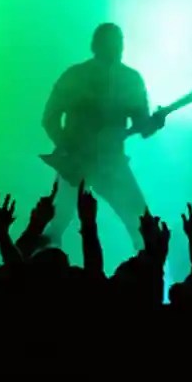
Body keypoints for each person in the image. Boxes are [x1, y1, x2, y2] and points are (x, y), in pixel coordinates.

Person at [40, 23, 165, 250]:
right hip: (84, 164)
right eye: (112, 42)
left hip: (108, 163)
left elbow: (142, 127)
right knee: (53, 227)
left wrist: (156, 122)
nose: (117, 47)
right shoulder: (77, 75)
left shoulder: (129, 79)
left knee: (144, 229)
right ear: (96, 45)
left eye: (119, 41)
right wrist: (66, 148)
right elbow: (49, 118)